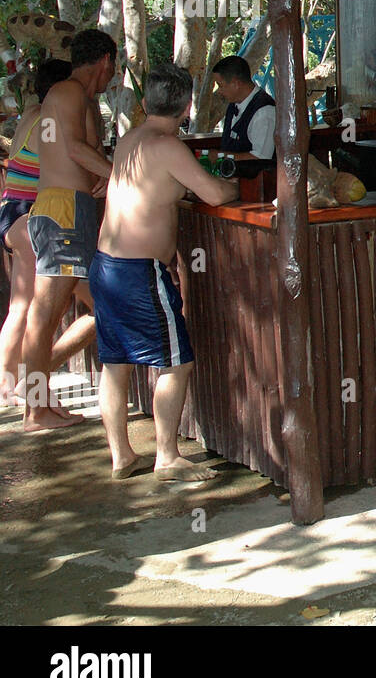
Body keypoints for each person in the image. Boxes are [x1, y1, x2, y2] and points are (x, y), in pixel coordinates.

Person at [91, 63, 237, 481]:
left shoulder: (130, 139)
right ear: (188, 105)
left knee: (115, 365)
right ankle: (167, 456)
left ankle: (121, 456)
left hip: (106, 265)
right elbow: (212, 193)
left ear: (144, 102)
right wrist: (232, 187)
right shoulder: (168, 146)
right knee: (176, 364)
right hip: (139, 272)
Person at [21, 29, 116, 430]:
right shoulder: (71, 92)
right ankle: (35, 409)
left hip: (66, 207)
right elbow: (75, 148)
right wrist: (118, 176)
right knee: (43, 315)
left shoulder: (73, 97)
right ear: (106, 62)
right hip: (62, 210)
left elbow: (71, 151)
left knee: (105, 308)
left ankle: (35, 394)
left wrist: (99, 176)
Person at [0, 60, 98, 409]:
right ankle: (25, 384)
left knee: (22, 306)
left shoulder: (33, 114)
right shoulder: (48, 120)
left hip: (14, 213)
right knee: (93, 303)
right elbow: (63, 166)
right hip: (27, 215)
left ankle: (9, 385)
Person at [211, 55, 275, 165]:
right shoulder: (233, 105)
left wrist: (220, 156)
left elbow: (262, 158)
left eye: (220, 85)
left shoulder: (264, 111)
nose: (219, 91)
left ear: (236, 83)